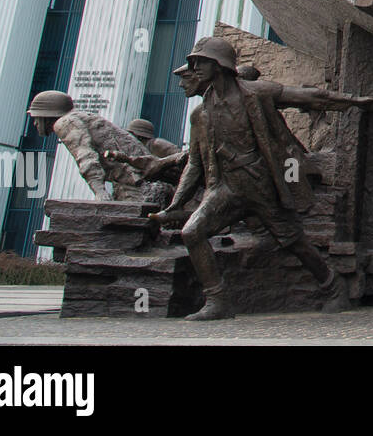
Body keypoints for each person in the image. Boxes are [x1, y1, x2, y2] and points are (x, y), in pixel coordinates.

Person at [148, 37, 349, 320]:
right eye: (194, 62)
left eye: (202, 61)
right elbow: (195, 163)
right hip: (226, 189)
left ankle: (332, 284)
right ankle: (217, 301)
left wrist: (354, 102)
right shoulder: (200, 114)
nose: (196, 68)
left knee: (293, 241)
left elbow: (303, 97)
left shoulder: (254, 93)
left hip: (262, 185)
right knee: (192, 232)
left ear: (220, 65)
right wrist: (175, 204)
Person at [28, 91, 152, 200]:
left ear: (47, 116)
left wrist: (99, 191)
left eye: (37, 118)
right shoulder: (80, 117)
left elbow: (85, 156)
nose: (35, 123)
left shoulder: (65, 123)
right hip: (137, 181)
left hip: (140, 185)